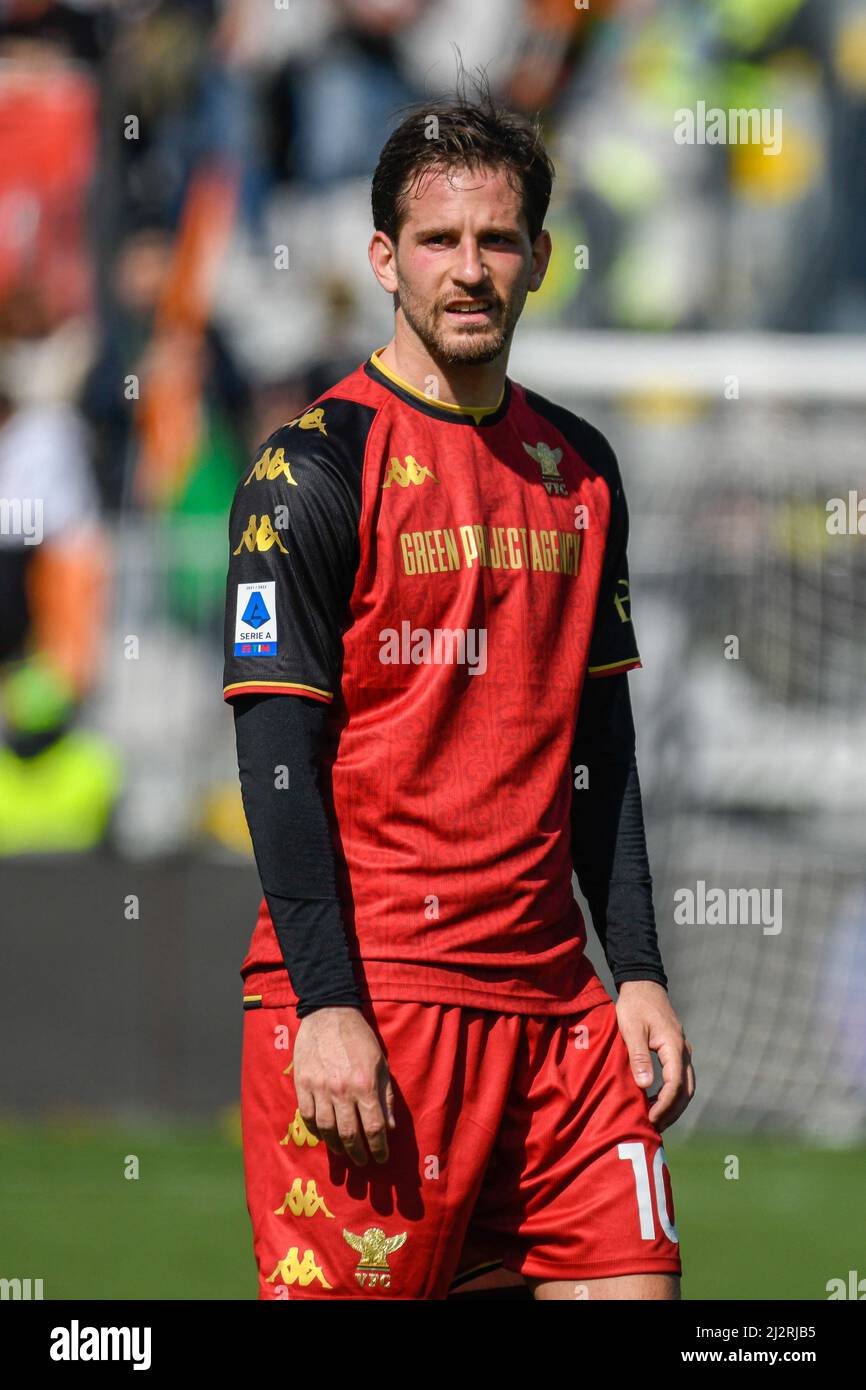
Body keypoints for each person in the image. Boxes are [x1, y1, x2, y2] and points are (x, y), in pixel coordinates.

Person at [222, 79, 695, 1301]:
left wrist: (633, 966)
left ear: (539, 257)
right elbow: (275, 759)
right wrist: (326, 1004)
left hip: (556, 1016)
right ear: (384, 257)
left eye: (496, 240)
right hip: (377, 1011)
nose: (469, 268)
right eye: (438, 240)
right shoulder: (309, 469)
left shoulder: (578, 468)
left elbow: (601, 741)